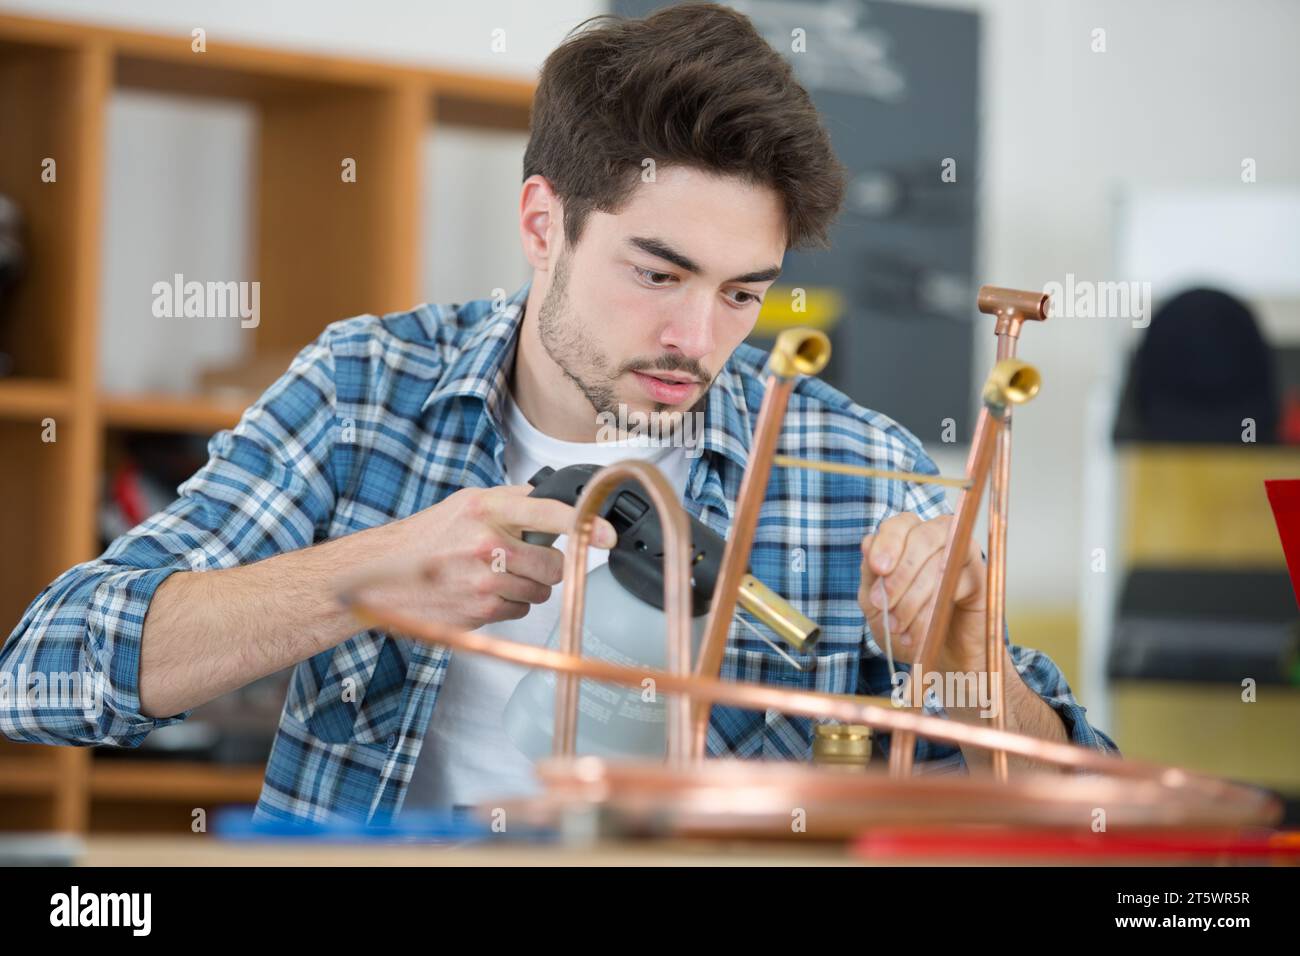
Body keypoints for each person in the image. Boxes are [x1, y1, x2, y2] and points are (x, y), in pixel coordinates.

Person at [1, 3, 1116, 826]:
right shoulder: (364, 391)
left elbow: (1084, 809)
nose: (698, 340)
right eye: (658, 273)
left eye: (743, 292)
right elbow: (41, 672)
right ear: (544, 224)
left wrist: (973, 676)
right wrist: (365, 576)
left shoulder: (851, 463)